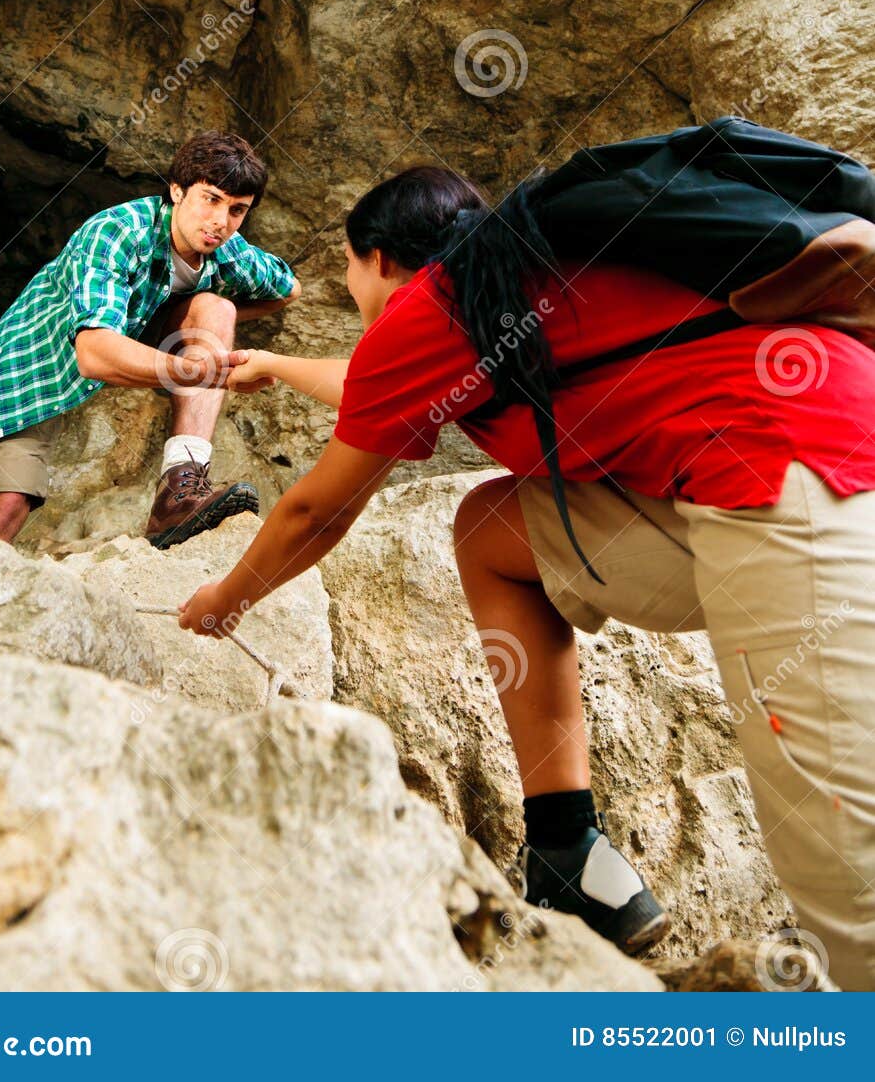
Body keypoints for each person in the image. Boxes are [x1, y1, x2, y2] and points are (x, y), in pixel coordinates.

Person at [179, 166, 875, 985]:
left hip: (804, 487)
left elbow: (315, 514)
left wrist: (224, 600)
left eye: (347, 268)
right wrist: (277, 362)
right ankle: (567, 850)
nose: (350, 287)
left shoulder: (432, 309)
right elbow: (379, 387)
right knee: (493, 531)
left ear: (379, 259)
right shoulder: (505, 283)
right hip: (766, 487)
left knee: (846, 882)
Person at [0, 131, 300, 547]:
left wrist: (217, 317)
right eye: (211, 199)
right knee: (8, 500)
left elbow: (289, 290)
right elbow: (93, 355)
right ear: (177, 191)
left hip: (136, 335)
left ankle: (179, 491)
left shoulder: (228, 249)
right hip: (43, 349)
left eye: (237, 210)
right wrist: (202, 372)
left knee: (217, 308)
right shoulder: (117, 231)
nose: (221, 221)